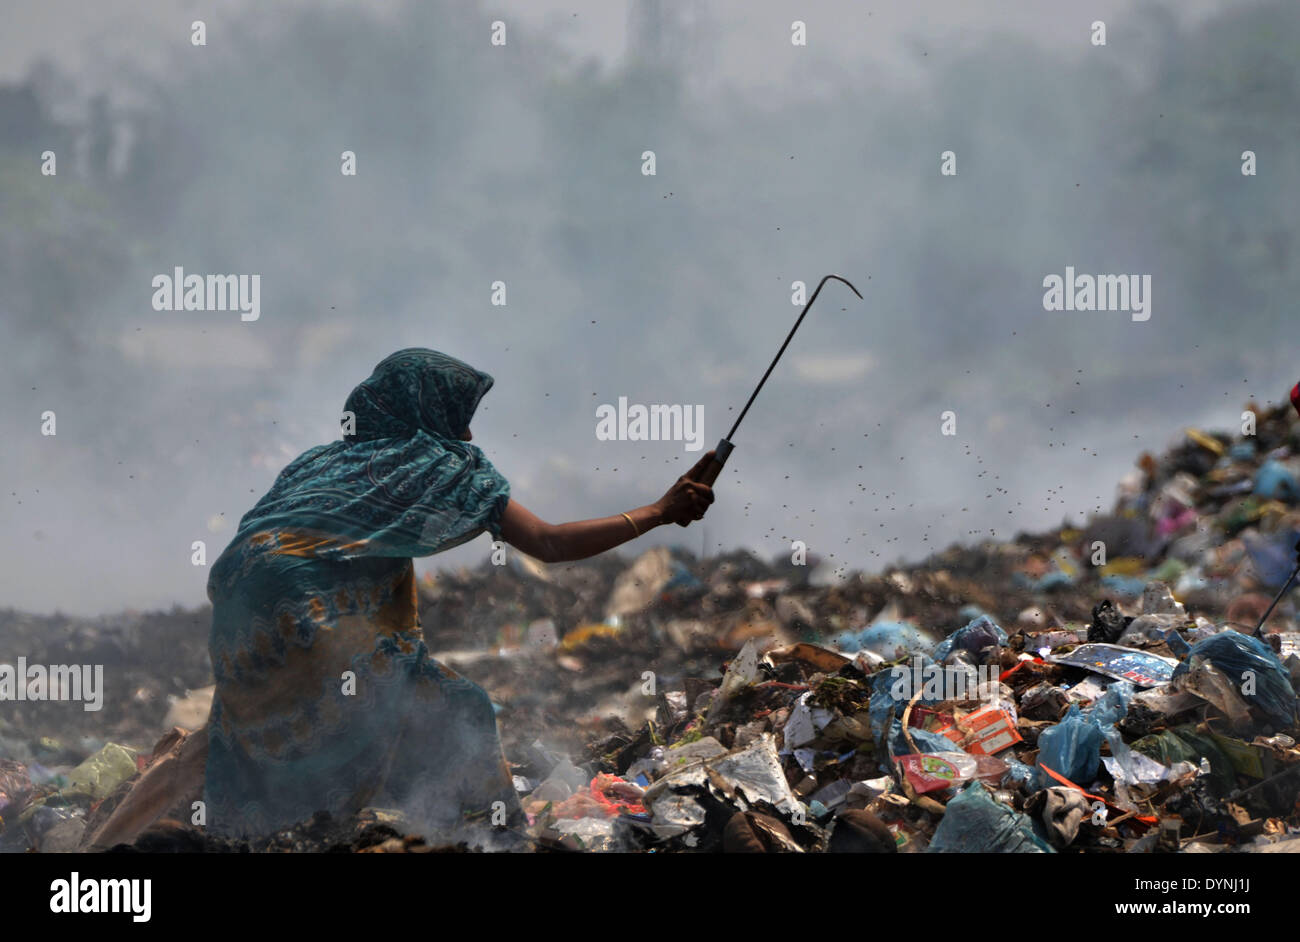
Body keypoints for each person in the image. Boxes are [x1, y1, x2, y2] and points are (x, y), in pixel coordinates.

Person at [202, 348, 714, 841]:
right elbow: (549, 541)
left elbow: (261, 541)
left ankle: (262, 829)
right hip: (310, 608)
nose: (466, 432)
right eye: (456, 414)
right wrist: (659, 511)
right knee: (457, 706)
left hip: (237, 614)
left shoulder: (316, 463)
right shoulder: (436, 461)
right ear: (428, 412)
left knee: (299, 721)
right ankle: (494, 834)